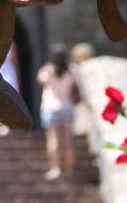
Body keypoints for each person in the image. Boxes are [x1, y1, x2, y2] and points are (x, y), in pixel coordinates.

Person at [37, 44, 77, 181]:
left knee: (53, 138)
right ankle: (70, 169)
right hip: (66, 105)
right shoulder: (71, 70)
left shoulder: (47, 70)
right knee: (67, 139)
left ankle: (55, 168)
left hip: (51, 106)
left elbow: (40, 80)